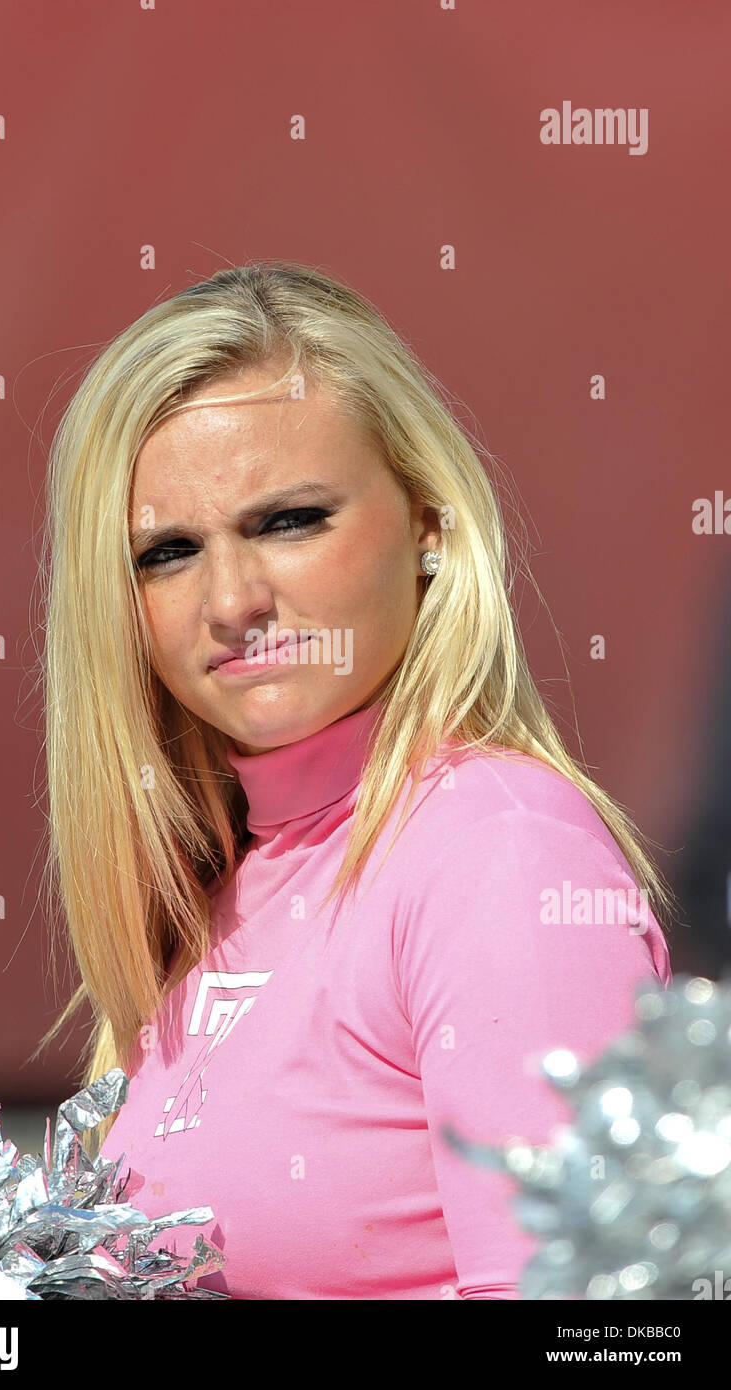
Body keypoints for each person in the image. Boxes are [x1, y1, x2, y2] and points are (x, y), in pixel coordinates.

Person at [36, 260, 673, 1299]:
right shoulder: (212, 887)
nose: (232, 597)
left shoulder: (498, 852)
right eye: (166, 551)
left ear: (429, 523)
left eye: (288, 520)